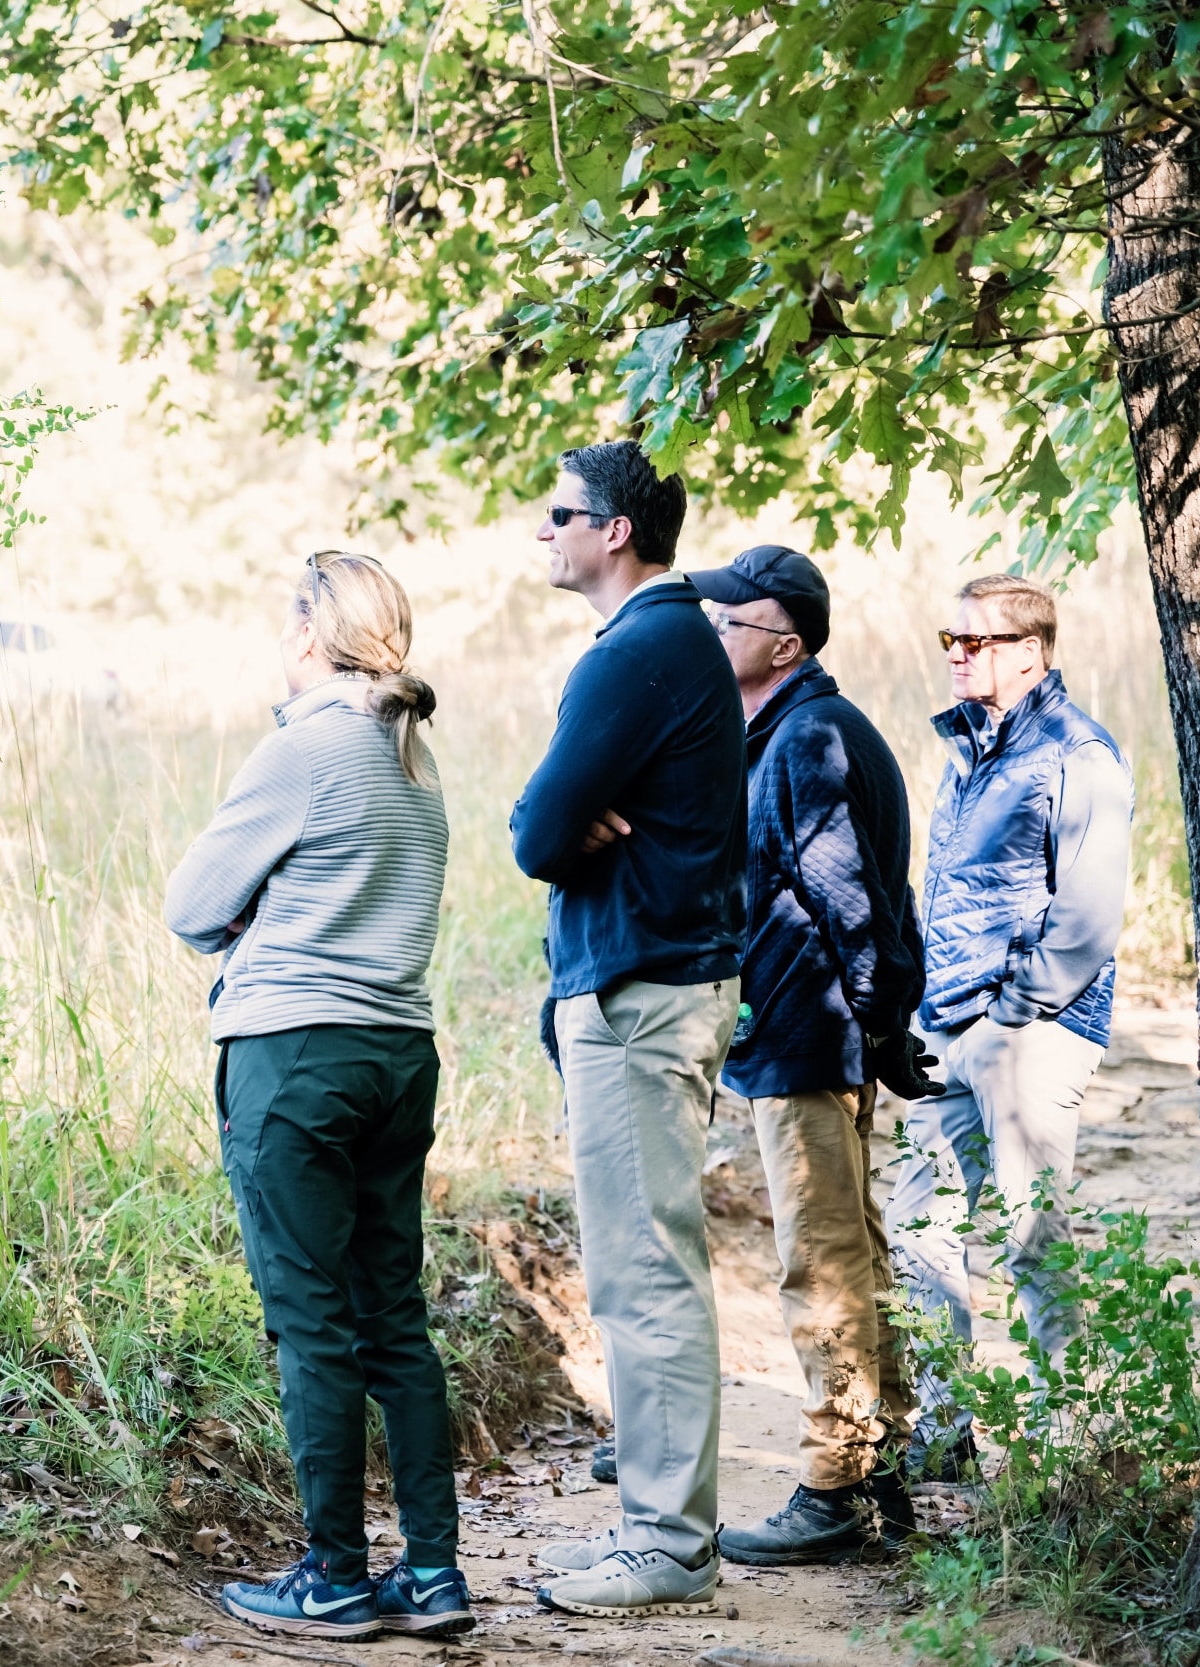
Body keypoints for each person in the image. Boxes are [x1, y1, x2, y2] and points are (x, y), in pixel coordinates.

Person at [162, 552, 469, 1643]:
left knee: (311, 1322)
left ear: (306, 634)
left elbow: (191, 902)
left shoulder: (306, 744)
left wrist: (252, 923)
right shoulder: (411, 754)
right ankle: (433, 1573)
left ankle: (334, 1574)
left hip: (295, 1053)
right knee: (394, 1314)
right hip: (398, 1051)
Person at [511, 442, 747, 1619]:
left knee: (644, 1269)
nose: (540, 530)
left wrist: (564, 819)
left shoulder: (642, 647)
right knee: (641, 1260)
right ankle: (665, 1529)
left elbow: (535, 828)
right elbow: (552, 817)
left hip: (643, 991)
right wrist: (559, 815)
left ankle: (667, 1544)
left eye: (557, 513)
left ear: (615, 531)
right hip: (648, 982)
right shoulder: (660, 647)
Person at [688, 545, 931, 1564]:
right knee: (854, 1251)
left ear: (782, 641)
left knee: (821, 1263)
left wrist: (877, 1021)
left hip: (808, 1034)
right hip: (814, 1030)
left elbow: (854, 904)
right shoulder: (795, 731)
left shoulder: (806, 740)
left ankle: (835, 1485)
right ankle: (885, 1467)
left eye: (727, 621)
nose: (709, 634)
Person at [886, 572, 1132, 1477]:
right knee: (919, 1225)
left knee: (1033, 1238)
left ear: (1030, 651)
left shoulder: (1080, 756)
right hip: (949, 1028)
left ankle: (1065, 1450)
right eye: (948, 639)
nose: (955, 653)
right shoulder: (968, 749)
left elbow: (1088, 921)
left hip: (1035, 1029)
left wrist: (1009, 1017)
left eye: (974, 641)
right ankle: (945, 1433)